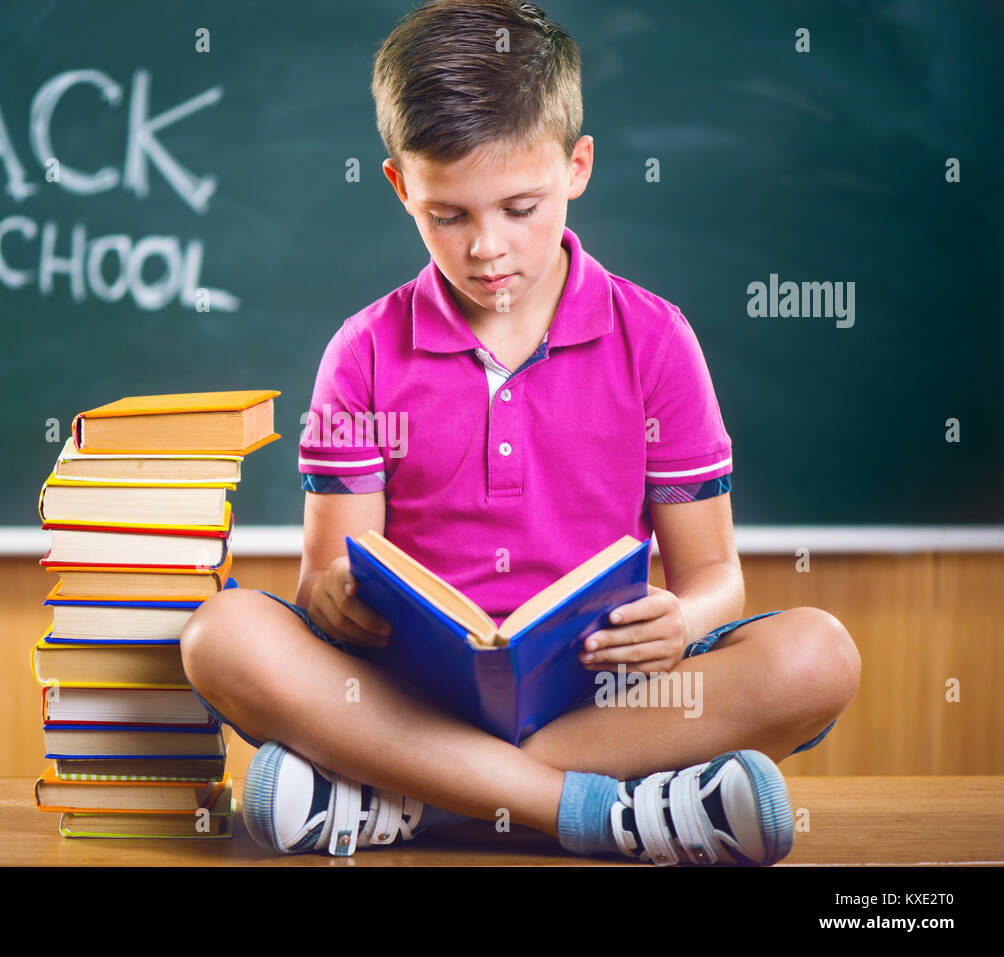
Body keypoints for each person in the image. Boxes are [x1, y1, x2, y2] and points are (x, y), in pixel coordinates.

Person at [179, 0, 861, 864]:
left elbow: (716, 576)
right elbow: (324, 578)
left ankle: (411, 793)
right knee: (221, 635)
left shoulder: (654, 340)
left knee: (816, 657)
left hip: (602, 699)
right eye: (448, 215)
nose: (487, 249)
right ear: (399, 187)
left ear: (578, 166)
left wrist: (681, 621)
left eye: (521, 207)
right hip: (410, 695)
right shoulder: (363, 351)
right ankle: (609, 814)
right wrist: (336, 603)